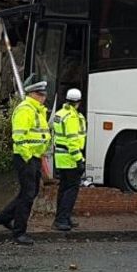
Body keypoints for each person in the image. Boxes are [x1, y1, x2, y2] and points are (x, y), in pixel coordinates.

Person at [0, 79, 51, 245]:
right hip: (26, 157)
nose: (43, 97)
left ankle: (4, 217)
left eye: (44, 94)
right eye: (40, 94)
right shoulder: (25, 110)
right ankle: (19, 232)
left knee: (30, 192)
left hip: (34, 157)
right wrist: (28, 157)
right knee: (28, 194)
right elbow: (19, 136)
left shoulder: (37, 110)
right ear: (32, 94)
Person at [52, 88, 87, 231]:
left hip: (61, 157)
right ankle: (62, 219)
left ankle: (62, 217)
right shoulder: (72, 117)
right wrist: (79, 160)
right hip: (70, 158)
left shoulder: (60, 113)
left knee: (63, 189)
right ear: (78, 102)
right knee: (71, 190)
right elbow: (72, 141)